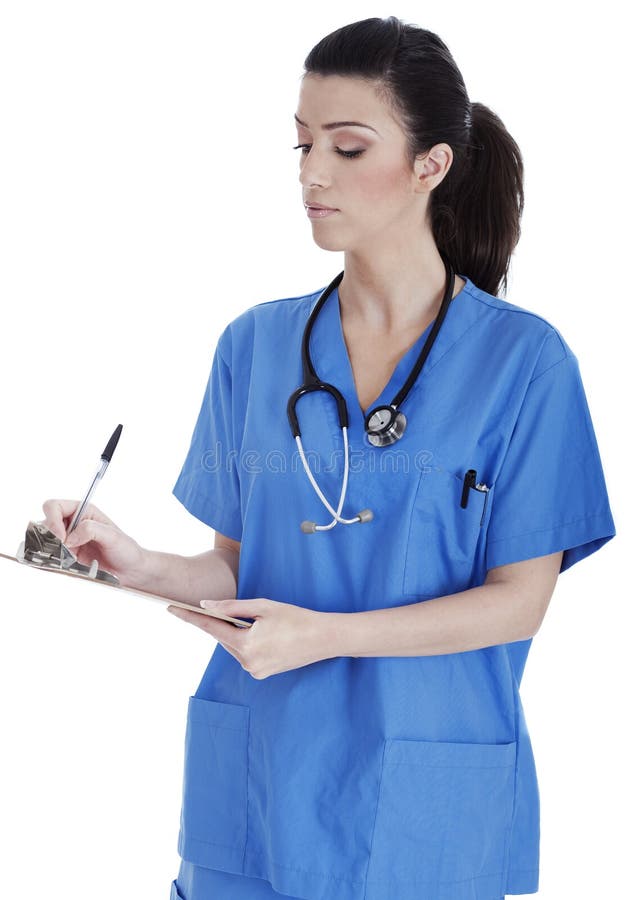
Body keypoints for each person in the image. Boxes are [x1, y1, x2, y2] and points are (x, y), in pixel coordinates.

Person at [42, 16, 616, 900]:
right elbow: (240, 569)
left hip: (425, 809)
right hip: (259, 791)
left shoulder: (524, 364)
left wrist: (329, 638)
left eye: (349, 148)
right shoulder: (256, 346)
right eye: (303, 143)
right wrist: (140, 564)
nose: (312, 173)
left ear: (433, 164)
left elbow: (520, 604)